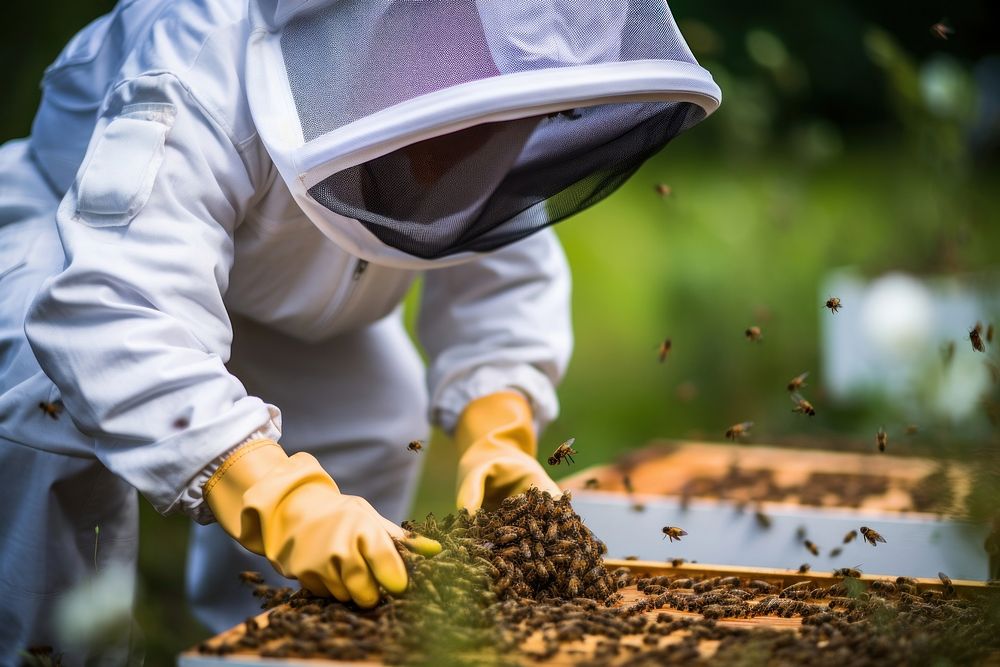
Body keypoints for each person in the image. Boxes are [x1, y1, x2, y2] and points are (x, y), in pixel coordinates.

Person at [0, 0, 719, 661]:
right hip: (76, 252)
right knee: (47, 402)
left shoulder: (483, 79)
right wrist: (273, 494)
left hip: (281, 295)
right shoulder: (201, 56)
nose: (487, 149)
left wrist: (497, 428)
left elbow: (499, 271)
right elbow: (118, 306)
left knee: (376, 415)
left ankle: (271, 646)